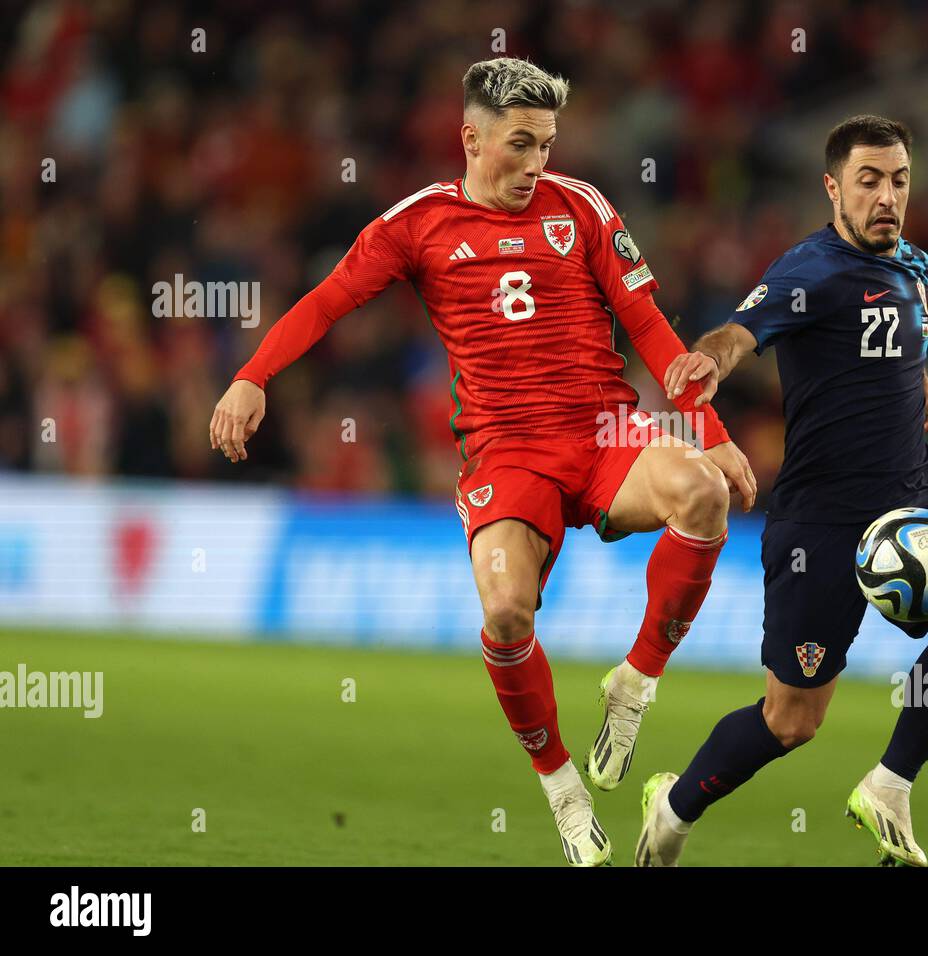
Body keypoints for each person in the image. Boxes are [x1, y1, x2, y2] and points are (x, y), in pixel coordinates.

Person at [208, 57, 757, 866]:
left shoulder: (584, 209)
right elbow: (329, 298)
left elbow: (646, 323)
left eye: (547, 145)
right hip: (506, 451)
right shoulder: (417, 223)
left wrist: (706, 426)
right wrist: (253, 376)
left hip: (606, 432)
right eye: (521, 144)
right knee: (506, 613)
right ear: (470, 138)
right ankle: (561, 785)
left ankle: (634, 683)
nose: (537, 164)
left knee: (704, 493)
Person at [635, 114, 928, 867]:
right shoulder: (813, 271)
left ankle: (890, 785)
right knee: (791, 721)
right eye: (868, 181)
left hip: (909, 502)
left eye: (899, 180)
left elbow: (895, 344)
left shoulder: (913, 266)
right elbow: (739, 331)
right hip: (819, 525)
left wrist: (925, 394)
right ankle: (673, 808)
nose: (886, 197)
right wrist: (712, 361)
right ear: (833, 187)